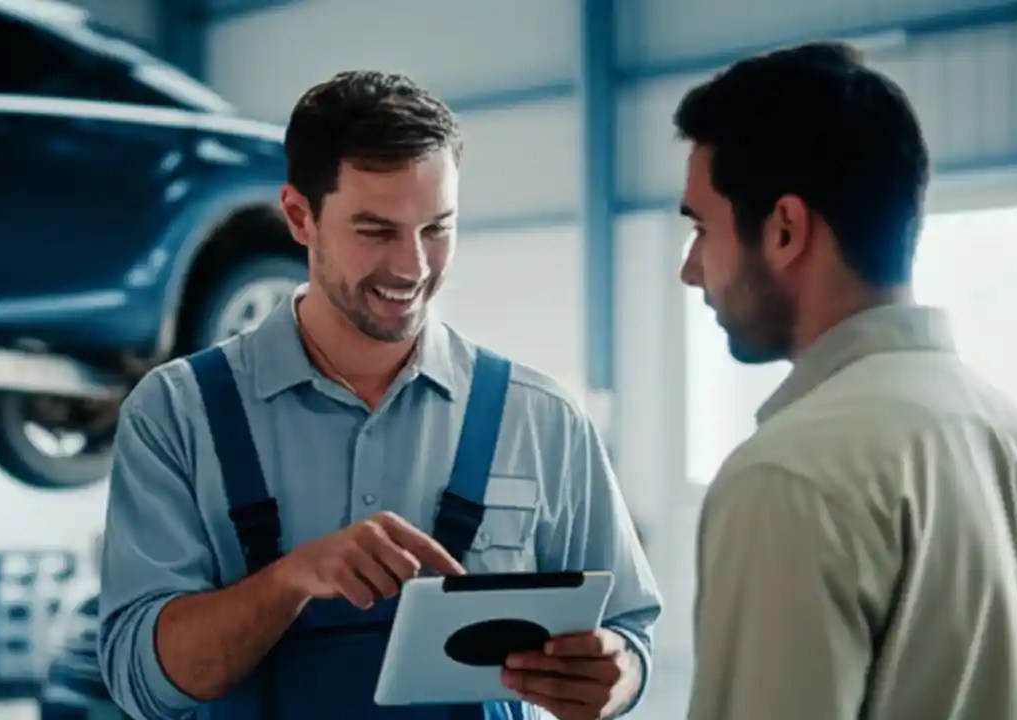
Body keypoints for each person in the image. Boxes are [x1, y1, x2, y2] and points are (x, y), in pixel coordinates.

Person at [96, 70, 662, 720]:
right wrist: (291, 580)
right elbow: (145, 681)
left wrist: (614, 675)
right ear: (298, 216)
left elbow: (629, 637)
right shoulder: (176, 415)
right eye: (376, 231)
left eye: (436, 229)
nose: (413, 267)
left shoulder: (541, 419)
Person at [675, 41, 1017, 719]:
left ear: (784, 229)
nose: (690, 268)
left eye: (701, 228)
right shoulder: (1010, 435)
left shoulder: (789, 476)